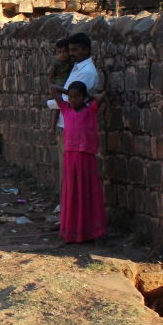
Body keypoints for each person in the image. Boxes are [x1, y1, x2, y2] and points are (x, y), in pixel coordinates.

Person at [50, 81, 108, 243]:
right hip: (71, 157)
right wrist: (67, 91)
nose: (73, 100)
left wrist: (89, 96)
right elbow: (53, 89)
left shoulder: (90, 110)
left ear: (84, 97)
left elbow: (102, 96)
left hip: (85, 157)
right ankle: (72, 231)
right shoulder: (65, 109)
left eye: (77, 97)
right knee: (71, 193)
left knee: (88, 191)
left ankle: (92, 231)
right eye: (71, 97)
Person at [48, 33, 100, 203]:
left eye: (75, 50)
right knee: (67, 179)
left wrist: (50, 102)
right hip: (67, 128)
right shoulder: (77, 68)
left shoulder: (87, 73)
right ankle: (67, 216)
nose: (71, 54)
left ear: (86, 50)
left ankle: (70, 217)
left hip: (75, 134)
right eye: (70, 50)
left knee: (72, 181)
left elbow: (70, 100)